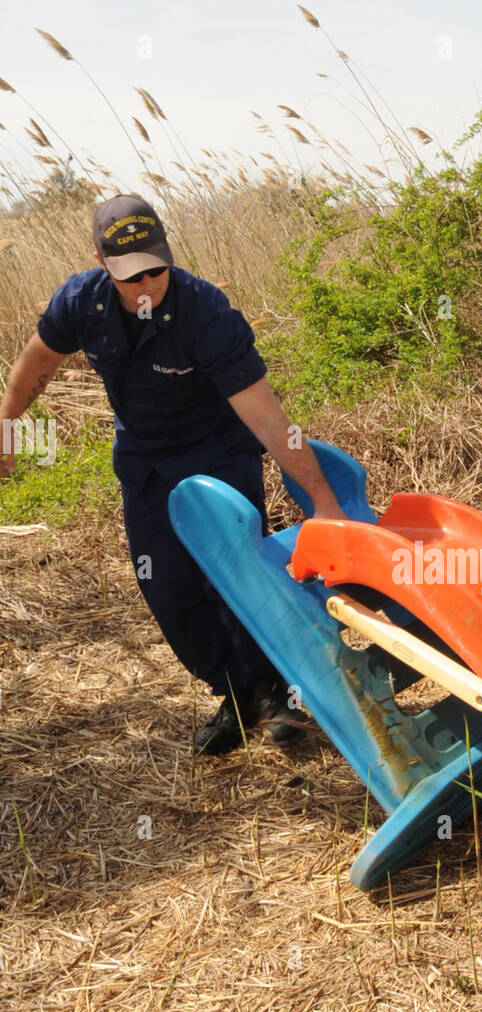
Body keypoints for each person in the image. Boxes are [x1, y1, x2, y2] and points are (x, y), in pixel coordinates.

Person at [0, 193, 347, 753]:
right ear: (101, 261)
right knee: (165, 587)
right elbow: (36, 363)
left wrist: (323, 503)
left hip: (218, 456)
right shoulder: (79, 303)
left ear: (168, 254)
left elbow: (267, 418)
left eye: (155, 270)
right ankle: (235, 693)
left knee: (235, 578)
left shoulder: (206, 312)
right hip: (146, 461)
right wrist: (7, 427)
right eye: (130, 275)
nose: (146, 286)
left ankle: (281, 693)